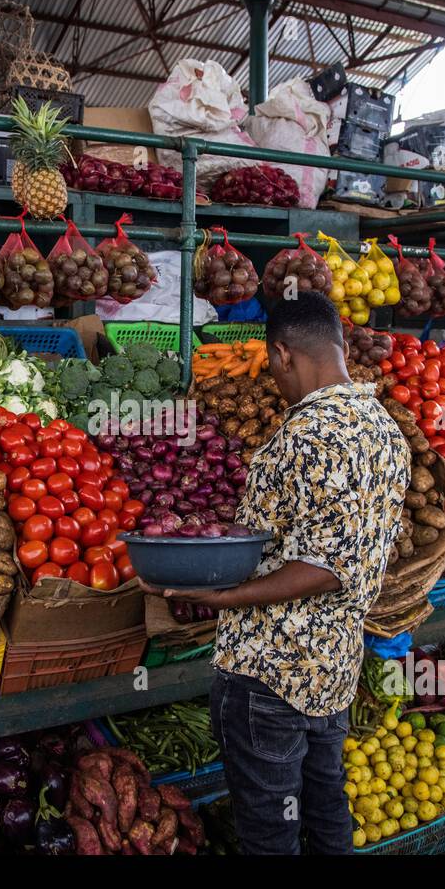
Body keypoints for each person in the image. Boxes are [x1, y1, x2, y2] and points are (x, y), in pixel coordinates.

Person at [143, 292, 409, 854]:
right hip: (334, 664)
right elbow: (343, 554)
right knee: (325, 806)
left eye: (270, 363)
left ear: (283, 354)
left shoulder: (303, 436)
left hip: (272, 672)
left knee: (269, 830)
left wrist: (229, 595)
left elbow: (325, 566)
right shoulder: (386, 429)